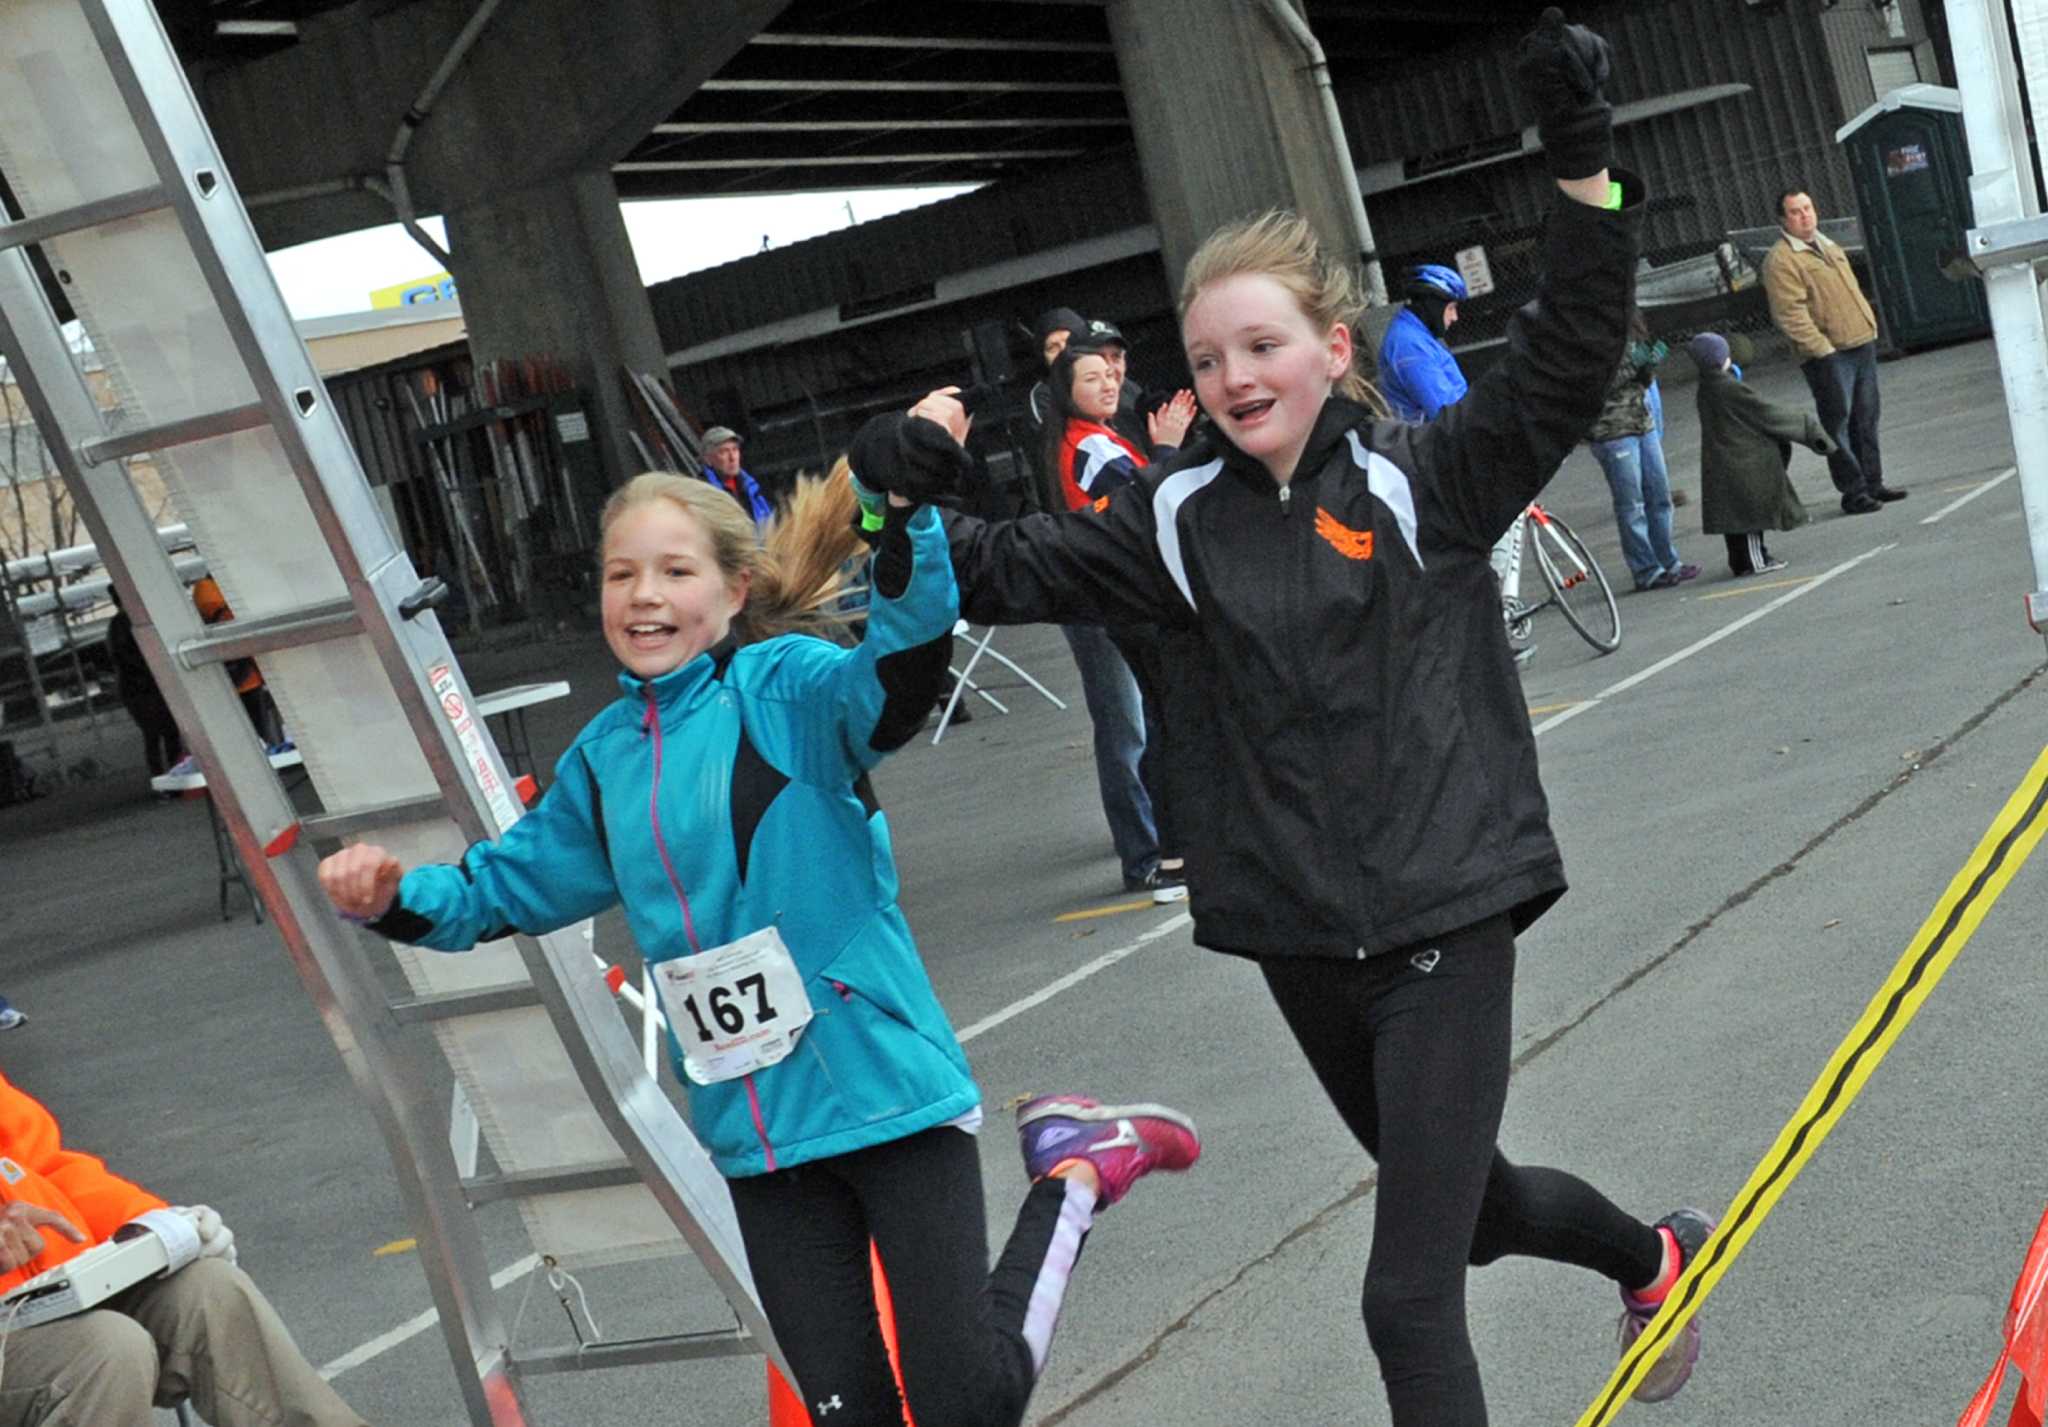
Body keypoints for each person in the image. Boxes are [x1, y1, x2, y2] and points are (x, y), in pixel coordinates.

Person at [890, 14, 1711, 1424]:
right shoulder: (1169, 520)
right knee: (1470, 1209)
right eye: (1207, 359)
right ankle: (1656, 1254)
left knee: (1404, 1298)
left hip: (1446, 915)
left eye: (1262, 343)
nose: (1235, 375)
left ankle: (1648, 1258)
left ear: (1332, 346)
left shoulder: (1424, 480)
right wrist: (901, 486)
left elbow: (1571, 352)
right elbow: (997, 561)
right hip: (1300, 939)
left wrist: (1583, 172)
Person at [316, 446, 1199, 1427]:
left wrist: (900, 521)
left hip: (888, 1095)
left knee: (966, 1405)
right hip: (757, 1139)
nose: (643, 595)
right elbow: (503, 886)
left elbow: (896, 676)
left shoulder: (788, 691)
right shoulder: (606, 759)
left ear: (734, 590)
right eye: (621, 574)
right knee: (844, 1413)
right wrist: (395, 894)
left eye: (673, 570)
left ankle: (1079, 1166)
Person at [0, 1067, 367, 1426]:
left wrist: (152, 1224)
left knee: (208, 1291)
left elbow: (39, 1164)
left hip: (45, 1292)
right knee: (106, 1350)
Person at [1042, 341, 1197, 901]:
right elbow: (1148, 511)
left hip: (1128, 600)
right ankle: (1170, 855)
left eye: (1110, 375)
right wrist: (1167, 449)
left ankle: (1174, 852)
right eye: (1091, 379)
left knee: (1162, 723)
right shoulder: (1089, 448)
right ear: (1066, 392)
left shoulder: (1094, 440)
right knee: (1165, 725)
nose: (1108, 384)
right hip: (1134, 601)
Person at [1761, 188, 1906, 514]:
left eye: (1808, 208)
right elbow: (1790, 314)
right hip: (1829, 355)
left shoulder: (1827, 244)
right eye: (1795, 212)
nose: (1805, 216)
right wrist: (1822, 349)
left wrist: (1868, 328)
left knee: (1866, 418)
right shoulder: (1781, 261)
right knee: (1837, 424)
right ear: (1783, 220)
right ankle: (1853, 493)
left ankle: (1873, 483)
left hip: (1860, 343)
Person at [1688, 331, 1836, 577]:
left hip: (1724, 460)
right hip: (1741, 460)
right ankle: (1754, 561)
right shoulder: (1727, 387)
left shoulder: (1709, 386)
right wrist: (1810, 430)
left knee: (1735, 519)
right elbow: (1766, 412)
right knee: (1749, 515)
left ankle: (1741, 560)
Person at [1586, 310, 1698, 591]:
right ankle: (1646, 570)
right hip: (1611, 428)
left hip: (1641, 420)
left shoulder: (1630, 324)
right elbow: (1591, 382)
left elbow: (1642, 380)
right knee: (1631, 503)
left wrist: (1648, 365)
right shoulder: (1585, 331)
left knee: (1659, 495)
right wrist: (1634, 367)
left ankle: (1667, 562)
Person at [105, 591, 183, 791]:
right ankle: (172, 778)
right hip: (145, 687)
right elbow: (127, 657)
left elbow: (120, 657)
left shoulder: (119, 626)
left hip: (139, 688)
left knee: (155, 734)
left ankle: (164, 780)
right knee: (165, 732)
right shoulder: (129, 624)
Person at [1376, 262, 1469, 424]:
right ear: (1434, 306)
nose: (1455, 317)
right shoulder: (1411, 346)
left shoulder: (1415, 334)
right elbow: (1449, 416)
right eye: (1451, 308)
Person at [699, 425, 775, 524]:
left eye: (735, 449)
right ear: (708, 459)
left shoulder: (752, 486)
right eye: (724, 451)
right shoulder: (703, 495)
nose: (732, 458)